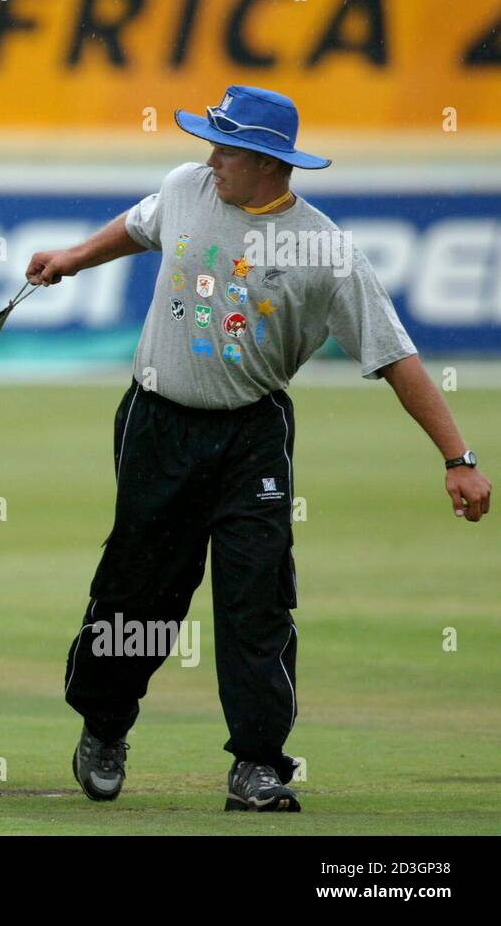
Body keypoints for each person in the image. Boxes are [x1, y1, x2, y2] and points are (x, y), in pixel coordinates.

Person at [25, 84, 492, 812]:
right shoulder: (189, 186)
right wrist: (76, 257)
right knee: (139, 589)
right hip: (157, 424)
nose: (210, 157)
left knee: (258, 598)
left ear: (270, 164)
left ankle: (258, 762)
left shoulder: (325, 250)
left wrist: (457, 458)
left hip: (251, 436)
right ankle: (106, 724)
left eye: (226, 148)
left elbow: (394, 354)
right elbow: (142, 224)